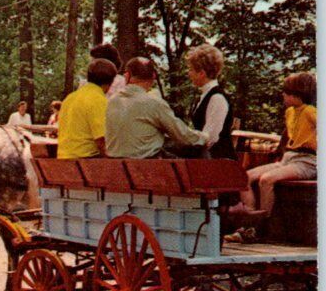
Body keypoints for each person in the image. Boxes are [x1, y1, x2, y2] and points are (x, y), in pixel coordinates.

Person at [226, 72, 317, 242]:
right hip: (288, 158)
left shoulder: (311, 112)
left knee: (266, 179)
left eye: (286, 92)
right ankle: (250, 223)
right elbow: (288, 138)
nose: (282, 95)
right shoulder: (290, 112)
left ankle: (261, 229)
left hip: (307, 160)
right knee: (244, 177)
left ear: (297, 94)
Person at [105, 57, 208, 158]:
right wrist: (204, 137)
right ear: (153, 77)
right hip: (147, 167)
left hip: (114, 166)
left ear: (127, 76)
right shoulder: (153, 103)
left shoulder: (112, 101)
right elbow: (182, 135)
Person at [57, 59, 117, 159]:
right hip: (86, 160)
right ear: (111, 81)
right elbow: (102, 140)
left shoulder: (70, 97)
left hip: (63, 158)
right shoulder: (98, 99)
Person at [185, 44, 234, 159]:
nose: (189, 73)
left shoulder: (217, 98)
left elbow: (210, 138)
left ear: (201, 73)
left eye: (191, 69)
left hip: (218, 161)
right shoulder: (205, 95)